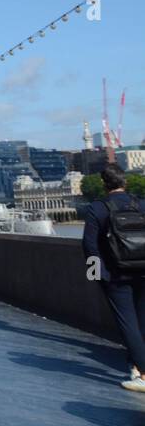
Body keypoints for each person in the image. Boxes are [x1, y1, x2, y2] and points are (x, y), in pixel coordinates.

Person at [81, 164, 145, 391]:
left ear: (103, 183)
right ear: (124, 182)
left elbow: (89, 246)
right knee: (142, 320)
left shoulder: (97, 208)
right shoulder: (141, 204)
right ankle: (136, 367)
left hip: (115, 274)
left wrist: (96, 275)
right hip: (143, 271)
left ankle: (144, 374)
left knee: (127, 323)